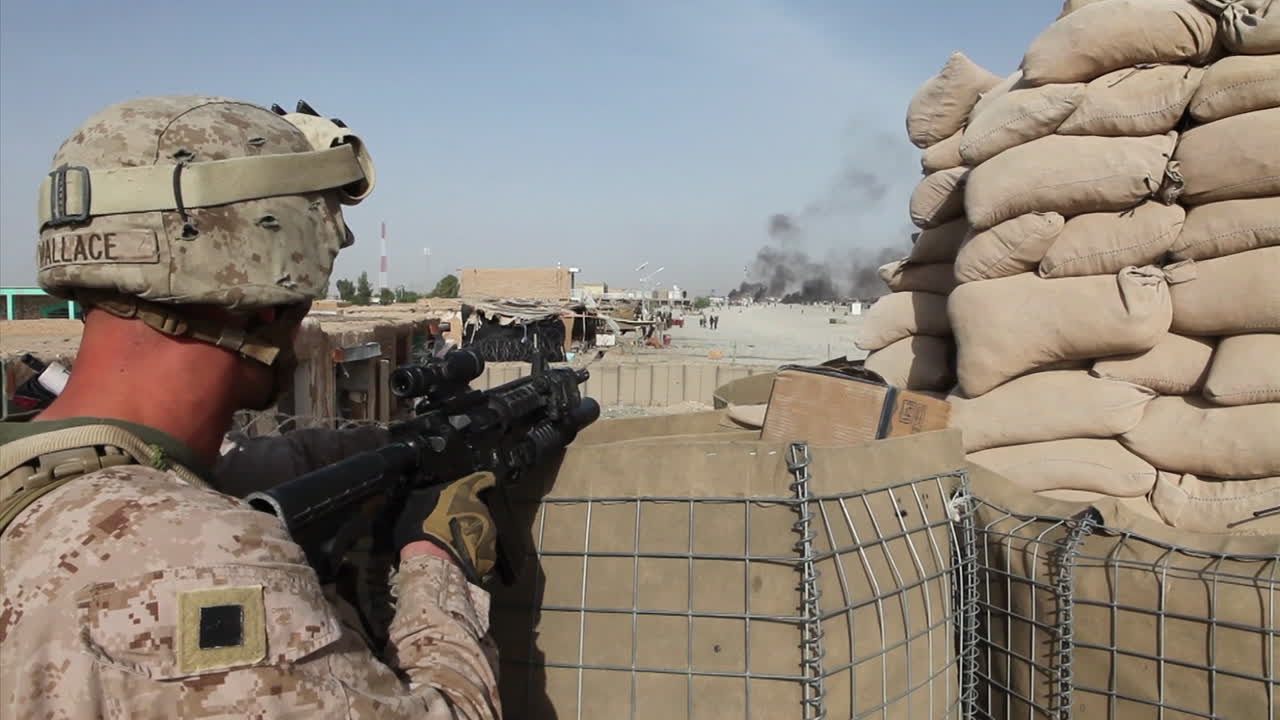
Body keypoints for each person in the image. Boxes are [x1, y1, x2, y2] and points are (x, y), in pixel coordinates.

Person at [0, 96, 501, 719]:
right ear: (268, 293)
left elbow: (218, 469)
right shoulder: (204, 557)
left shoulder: (31, 469)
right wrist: (437, 567)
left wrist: (401, 448)